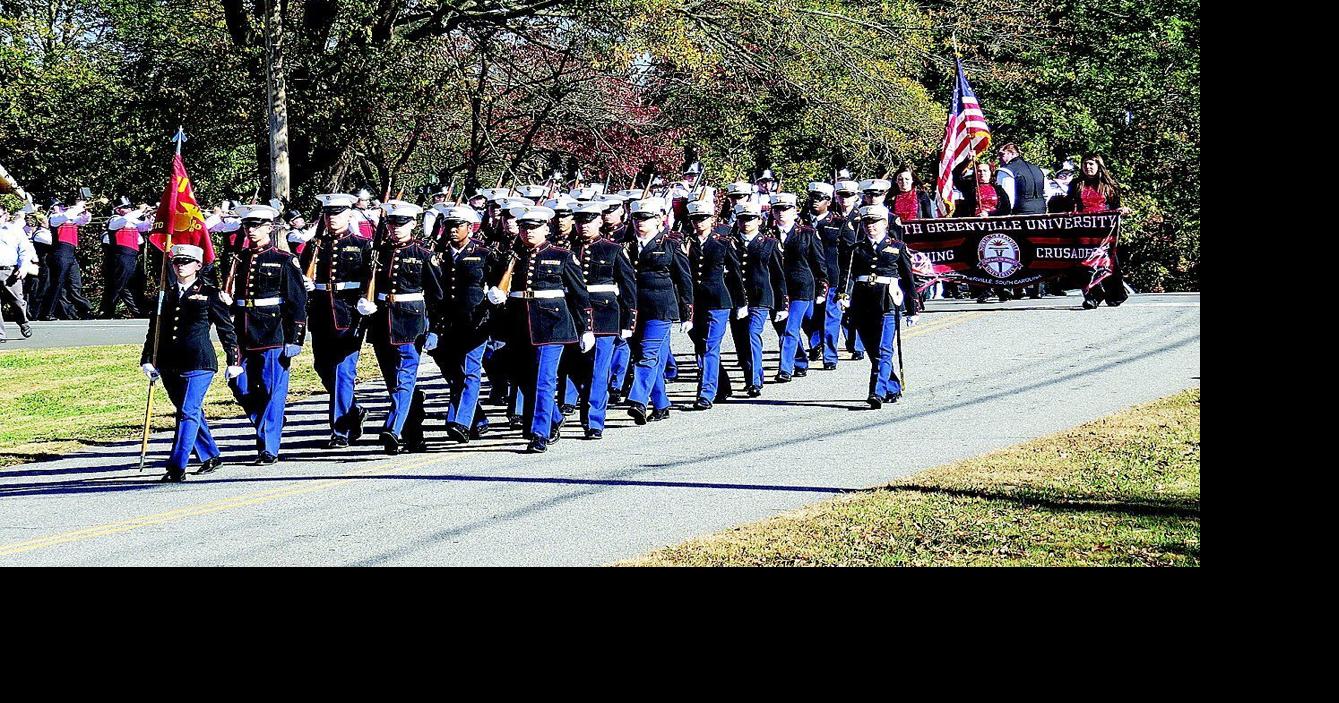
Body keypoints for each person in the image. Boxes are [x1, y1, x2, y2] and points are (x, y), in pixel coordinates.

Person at [485, 204, 592, 453]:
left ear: (546, 228)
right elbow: (501, 287)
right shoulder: (511, 256)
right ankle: (553, 418)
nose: (528, 232)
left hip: (552, 326)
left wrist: (586, 327)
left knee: (544, 380)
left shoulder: (562, 255)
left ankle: (539, 433)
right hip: (520, 327)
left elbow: (579, 295)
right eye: (524, 228)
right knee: (525, 381)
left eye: (533, 228)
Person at [139, 244, 241, 482]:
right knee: (189, 411)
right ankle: (211, 455)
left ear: (198, 265)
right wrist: (147, 360)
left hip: (199, 363)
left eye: (186, 262)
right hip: (169, 363)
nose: (180, 266)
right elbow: (154, 331)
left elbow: (227, 331)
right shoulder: (165, 294)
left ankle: (177, 466)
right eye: (176, 262)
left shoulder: (211, 293)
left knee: (187, 412)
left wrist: (233, 360)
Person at [220, 204, 308, 466]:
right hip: (243, 331)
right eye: (248, 226)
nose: (251, 231)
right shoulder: (239, 258)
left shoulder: (283, 259)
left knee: (272, 390)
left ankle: (268, 447)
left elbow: (297, 301)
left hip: (273, 332)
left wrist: (295, 338)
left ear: (269, 228)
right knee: (239, 383)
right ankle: (270, 420)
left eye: (257, 226)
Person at [362, 201, 445, 454]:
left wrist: (435, 329)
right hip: (382, 322)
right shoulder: (378, 252)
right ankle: (414, 434)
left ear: (412, 224)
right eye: (391, 223)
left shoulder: (423, 254)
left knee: (404, 379)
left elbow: (437, 295)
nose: (395, 228)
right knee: (393, 382)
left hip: (411, 323)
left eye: (402, 224)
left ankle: (393, 428)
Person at [299, 193, 374, 448]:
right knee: (322, 367)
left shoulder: (363, 244)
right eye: (329, 214)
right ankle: (353, 410)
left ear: (349, 215)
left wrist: (366, 301)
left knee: (344, 371)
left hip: (349, 313)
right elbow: (303, 272)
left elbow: (370, 278)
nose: (333, 219)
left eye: (338, 213)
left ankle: (340, 430)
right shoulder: (315, 244)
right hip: (321, 312)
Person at [423, 204, 496, 445]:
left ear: (470, 228)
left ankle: (460, 421)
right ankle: (478, 419)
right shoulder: (439, 255)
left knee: (471, 372)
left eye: (458, 226)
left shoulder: (484, 254)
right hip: (447, 324)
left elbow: (498, 287)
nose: (452, 230)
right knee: (454, 373)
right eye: (449, 226)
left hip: (476, 323)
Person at [563, 201, 637, 438]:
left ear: (599, 221)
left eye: (589, 221)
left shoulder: (612, 249)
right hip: (573, 316)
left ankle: (594, 420)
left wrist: (628, 322)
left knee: (597, 370)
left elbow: (628, 288)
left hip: (605, 316)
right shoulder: (566, 249)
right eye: (580, 221)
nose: (584, 226)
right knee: (572, 368)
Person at [837, 205, 919, 409]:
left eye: (874, 222)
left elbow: (909, 280)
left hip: (887, 301)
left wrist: (912, 308)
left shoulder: (897, 247)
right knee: (872, 348)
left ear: (884, 224)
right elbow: (846, 275)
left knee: (884, 348)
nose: (870, 226)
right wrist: (842, 294)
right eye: (866, 223)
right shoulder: (856, 249)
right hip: (862, 301)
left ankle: (877, 392)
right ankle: (891, 386)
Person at [623, 196, 693, 424]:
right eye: (636, 218)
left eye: (645, 218)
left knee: (648, 355)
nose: (640, 223)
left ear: (659, 220)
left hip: (661, 309)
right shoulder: (627, 245)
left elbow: (685, 280)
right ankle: (661, 403)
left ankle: (638, 400)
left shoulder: (670, 244)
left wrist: (687, 313)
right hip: (634, 309)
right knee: (645, 357)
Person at [684, 197, 746, 409]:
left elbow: (736, 274)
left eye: (703, 218)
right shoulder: (686, 243)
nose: (699, 222)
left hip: (719, 301)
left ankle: (705, 393)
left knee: (711, 346)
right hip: (695, 302)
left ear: (712, 219)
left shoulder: (724, 242)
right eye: (695, 219)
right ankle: (723, 385)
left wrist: (741, 302)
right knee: (701, 347)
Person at [728, 199, 787, 398]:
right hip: (736, 299)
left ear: (759, 220)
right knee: (741, 340)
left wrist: (782, 305)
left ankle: (754, 382)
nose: (746, 223)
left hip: (760, 298)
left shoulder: (769, 244)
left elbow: (778, 276)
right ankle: (751, 376)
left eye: (751, 219)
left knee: (753, 334)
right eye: (742, 219)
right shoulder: (730, 243)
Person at [768, 192, 826, 382]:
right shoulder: (766, 235)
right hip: (777, 289)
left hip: (801, 287)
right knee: (782, 327)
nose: (781, 213)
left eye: (786, 209)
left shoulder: (807, 233)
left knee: (790, 328)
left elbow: (819, 262)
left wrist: (821, 286)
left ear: (795, 211)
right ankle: (800, 360)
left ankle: (785, 369)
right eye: (777, 209)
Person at [1069, 153, 1132, 310]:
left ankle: (1116, 294)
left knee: (1108, 261)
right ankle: (1093, 295)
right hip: (1083, 229)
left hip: (1104, 230)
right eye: (1085, 164)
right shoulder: (1076, 184)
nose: (1088, 167)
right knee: (1084, 264)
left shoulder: (1109, 185)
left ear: (1098, 166)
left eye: (1091, 164)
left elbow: (1115, 206)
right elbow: (1069, 205)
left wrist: (1122, 210)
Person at [802, 181, 852, 370]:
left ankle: (830, 356)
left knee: (832, 317)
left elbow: (849, 254)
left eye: (820, 199)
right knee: (808, 316)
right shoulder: (801, 222)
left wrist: (846, 283)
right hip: (808, 278)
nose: (815, 202)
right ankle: (816, 343)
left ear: (829, 201)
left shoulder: (839, 223)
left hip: (832, 277)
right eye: (812, 198)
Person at [38, 199, 94, 321]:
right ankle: (47, 313)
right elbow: (67, 215)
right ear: (53, 208)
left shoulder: (70, 218)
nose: (63, 207)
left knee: (75, 283)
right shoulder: (54, 218)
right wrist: (77, 207)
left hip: (70, 253)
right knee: (57, 284)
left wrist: (85, 212)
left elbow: (85, 220)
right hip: (60, 252)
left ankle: (83, 309)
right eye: (59, 206)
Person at [100, 198, 152, 318]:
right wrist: (140, 210)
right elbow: (125, 219)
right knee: (118, 284)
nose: (129, 209)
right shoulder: (115, 220)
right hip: (121, 254)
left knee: (130, 285)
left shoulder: (131, 220)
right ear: (118, 210)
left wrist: (149, 216)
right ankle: (106, 309)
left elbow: (144, 227)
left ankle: (137, 310)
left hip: (132, 255)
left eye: (130, 207)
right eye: (126, 207)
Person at [0, 208, 38, 340]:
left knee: (17, 301)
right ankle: (1, 334)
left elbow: (25, 250)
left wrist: (23, 267)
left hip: (10, 270)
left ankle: (23, 322)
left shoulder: (14, 230)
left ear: (5, 214)